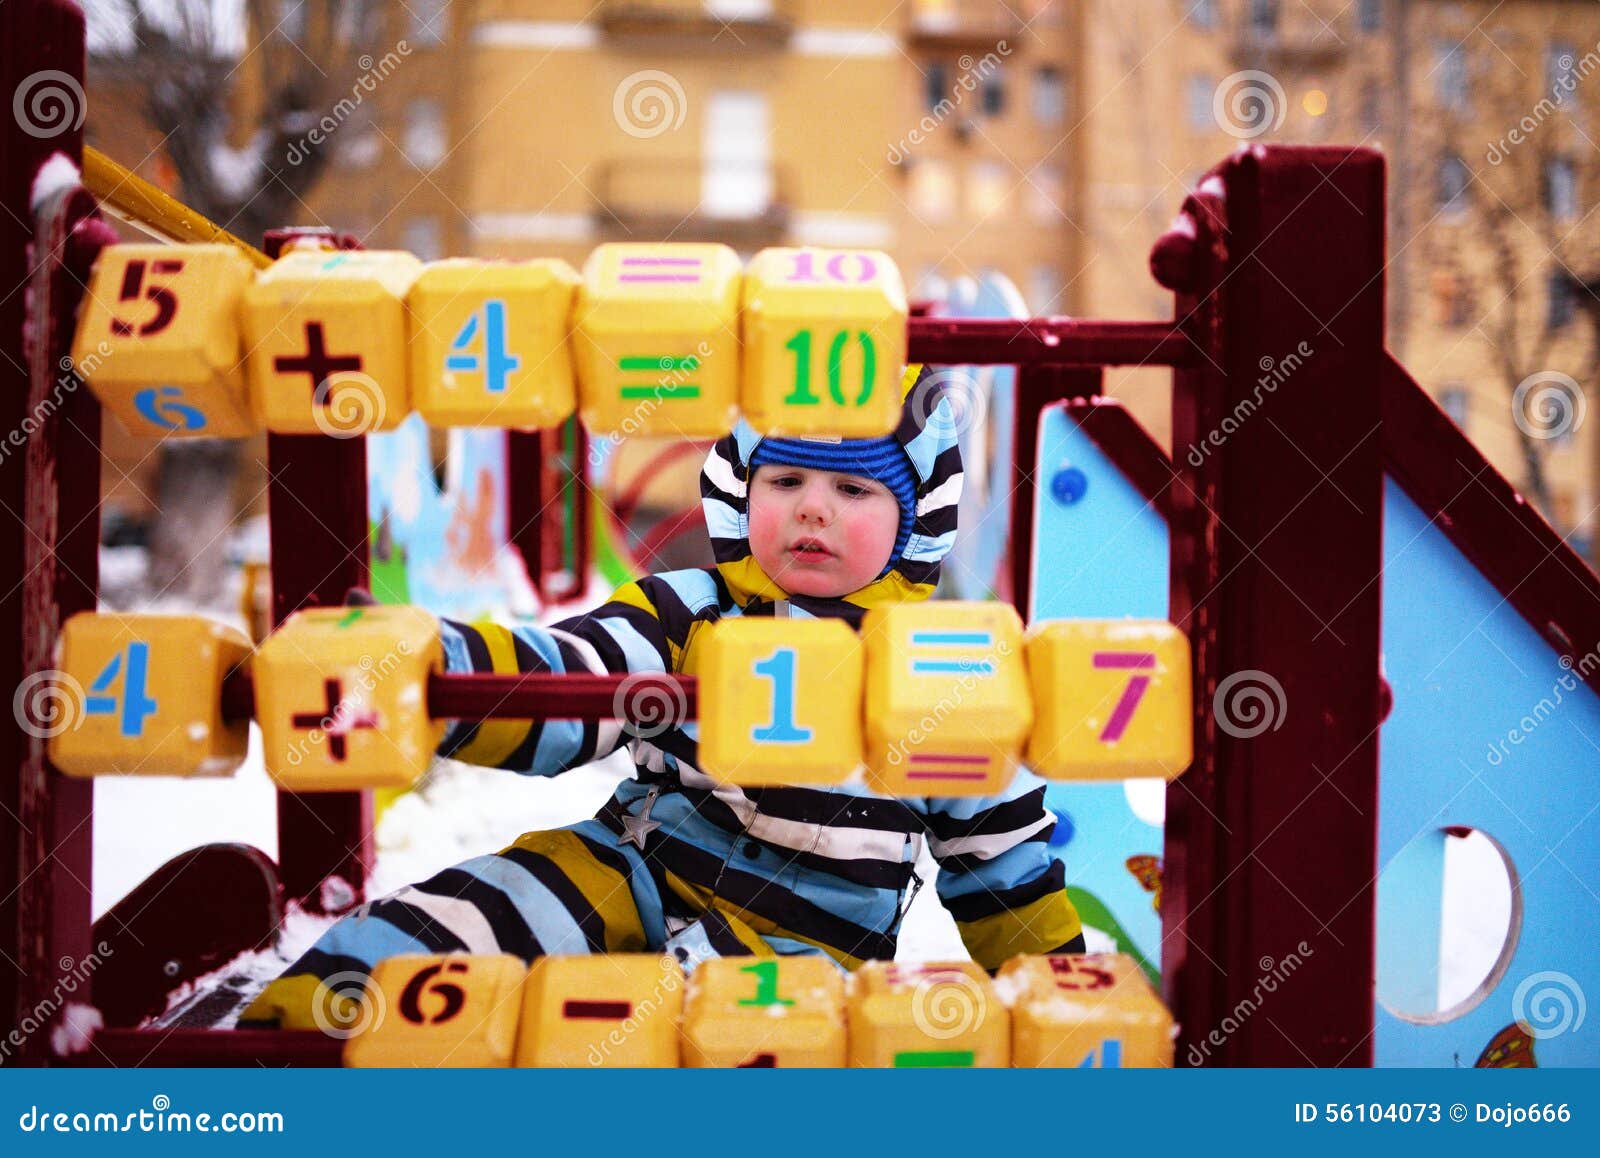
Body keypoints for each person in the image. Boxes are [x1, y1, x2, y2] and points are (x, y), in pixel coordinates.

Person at [242, 366, 1084, 1030]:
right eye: (784, 479)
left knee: (676, 1031)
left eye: (854, 491)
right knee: (482, 915)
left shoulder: (946, 666)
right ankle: (291, 1052)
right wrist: (439, 670)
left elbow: (1000, 862)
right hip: (631, 863)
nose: (811, 510)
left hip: (803, 944)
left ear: (913, 522)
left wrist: (1061, 1005)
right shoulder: (690, 608)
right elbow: (573, 677)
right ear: (741, 491)